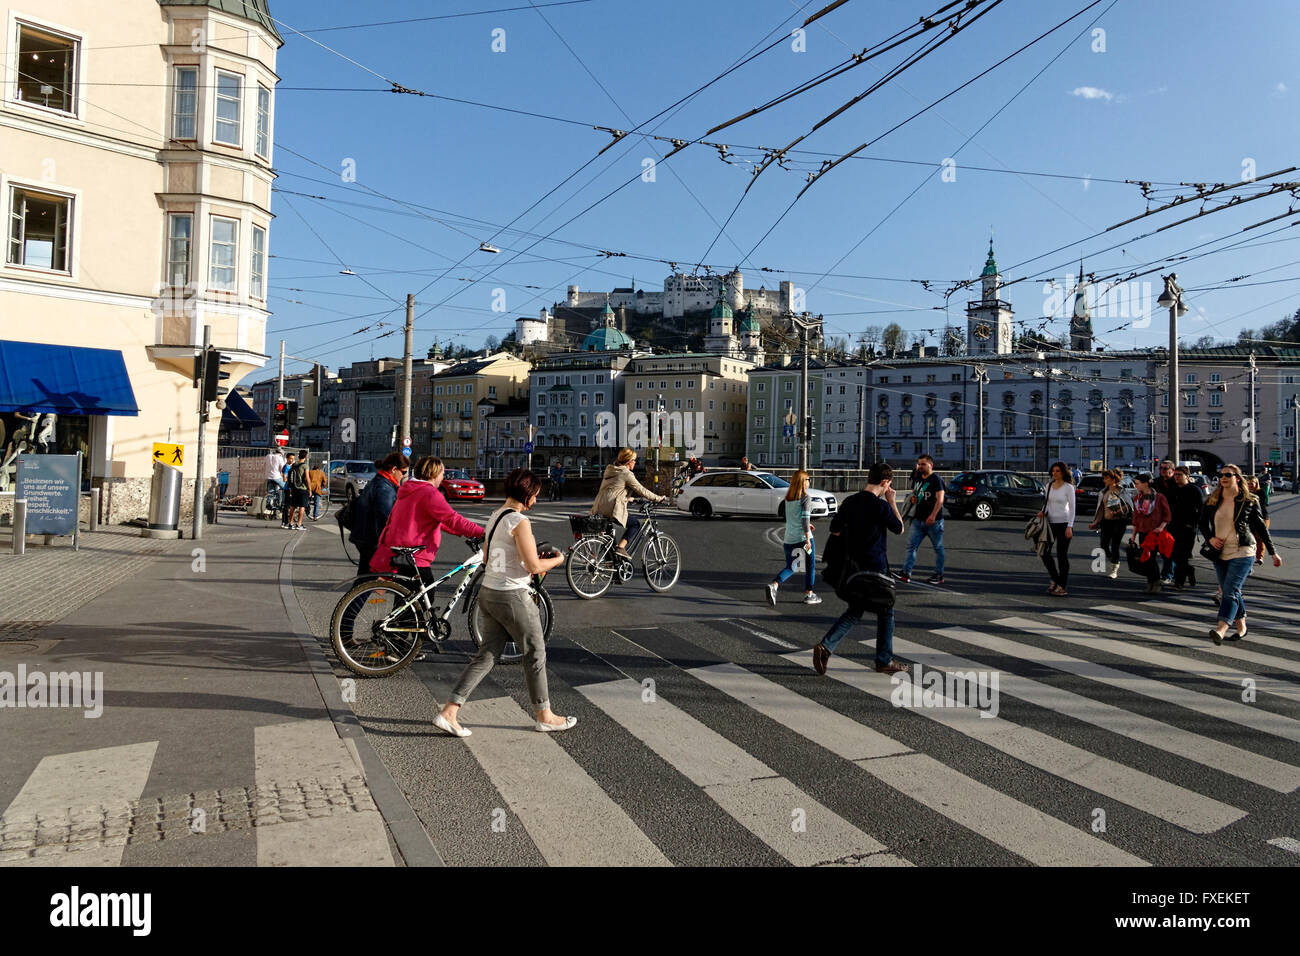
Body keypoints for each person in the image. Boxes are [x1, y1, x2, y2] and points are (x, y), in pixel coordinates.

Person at [434, 468, 573, 737]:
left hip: (488, 593)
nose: (537, 499)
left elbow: (488, 558)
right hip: (512, 596)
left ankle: (449, 712)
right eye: (536, 494)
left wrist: (524, 563)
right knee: (535, 652)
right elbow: (532, 564)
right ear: (529, 494)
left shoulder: (495, 516)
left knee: (486, 656)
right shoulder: (520, 522)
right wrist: (557, 560)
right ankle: (545, 715)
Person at [811, 462, 908, 676]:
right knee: (886, 610)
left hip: (852, 567)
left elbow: (835, 530)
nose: (888, 489)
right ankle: (884, 660)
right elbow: (899, 528)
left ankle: (826, 647)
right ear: (885, 482)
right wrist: (892, 501)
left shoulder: (849, 502)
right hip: (875, 568)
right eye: (888, 486)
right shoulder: (880, 506)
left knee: (855, 610)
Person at [370, 456, 485, 585]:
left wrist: (462, 532)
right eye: (442, 473)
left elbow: (436, 519)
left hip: (399, 553)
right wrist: (483, 532)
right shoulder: (429, 493)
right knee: (425, 596)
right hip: (415, 556)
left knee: (407, 599)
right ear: (434, 474)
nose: (443, 478)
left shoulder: (410, 489)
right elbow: (453, 519)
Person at [1201, 464, 1281, 645]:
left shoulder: (1249, 500)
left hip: (1243, 550)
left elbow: (1261, 527)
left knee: (1228, 591)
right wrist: (1210, 538)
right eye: (1221, 475)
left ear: (1237, 477)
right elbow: (1202, 523)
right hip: (1219, 552)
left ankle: (1221, 628)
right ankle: (1242, 625)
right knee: (1232, 590)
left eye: (1228, 474)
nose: (1223, 478)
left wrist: (1273, 553)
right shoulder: (1213, 499)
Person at [591, 447, 668, 554]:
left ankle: (609, 565)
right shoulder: (626, 474)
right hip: (611, 508)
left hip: (599, 506)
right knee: (635, 524)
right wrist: (659, 498)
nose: (635, 462)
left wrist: (627, 499)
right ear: (628, 461)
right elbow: (642, 490)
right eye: (634, 460)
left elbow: (613, 490)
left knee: (609, 539)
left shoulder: (610, 469)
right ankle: (621, 547)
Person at [765, 469, 820, 606]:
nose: (809, 481)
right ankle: (809, 594)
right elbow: (804, 520)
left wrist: (808, 525)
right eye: (807, 479)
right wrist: (807, 538)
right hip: (803, 539)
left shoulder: (789, 498)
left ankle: (774, 585)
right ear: (802, 481)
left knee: (792, 566)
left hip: (789, 539)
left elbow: (795, 518)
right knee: (810, 565)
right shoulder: (806, 498)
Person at [349, 453, 407, 577]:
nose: (404, 476)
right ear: (394, 469)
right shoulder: (384, 488)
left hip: (364, 536)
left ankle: (355, 596)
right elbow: (384, 518)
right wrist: (388, 545)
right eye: (404, 472)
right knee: (368, 581)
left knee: (365, 579)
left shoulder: (377, 481)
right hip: (371, 540)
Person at [898, 454, 945, 585]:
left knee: (938, 548)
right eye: (919, 464)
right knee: (911, 547)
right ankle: (906, 572)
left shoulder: (936, 480)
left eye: (923, 464)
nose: (920, 466)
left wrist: (933, 515)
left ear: (931, 465)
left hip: (933, 521)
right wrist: (914, 499)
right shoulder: (918, 477)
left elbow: (940, 500)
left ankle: (939, 575)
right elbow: (916, 492)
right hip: (918, 519)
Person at [1037, 461, 1076, 596]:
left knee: (1061, 555)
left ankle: (1062, 586)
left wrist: (1070, 526)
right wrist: (1042, 512)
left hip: (1064, 523)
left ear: (1063, 472)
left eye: (1058, 471)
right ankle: (1055, 579)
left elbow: (1072, 508)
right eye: (1053, 471)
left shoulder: (1068, 488)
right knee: (1044, 552)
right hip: (1050, 524)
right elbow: (1047, 504)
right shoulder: (1049, 486)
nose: (1055, 473)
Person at [1130, 472, 1171, 595]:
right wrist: (1133, 535)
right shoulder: (1138, 499)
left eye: (1137, 484)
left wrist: (1161, 527)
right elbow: (1136, 518)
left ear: (1145, 484)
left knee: (1152, 558)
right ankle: (1150, 581)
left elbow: (1167, 515)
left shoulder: (1159, 497)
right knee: (1146, 559)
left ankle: (1156, 582)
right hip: (1143, 532)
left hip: (1156, 533)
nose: (1135, 486)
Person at [1087, 468, 1131, 579]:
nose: (1104, 480)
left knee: (1115, 544)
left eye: (1106, 478)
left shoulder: (1122, 491)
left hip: (1119, 521)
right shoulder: (1103, 492)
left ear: (1113, 479)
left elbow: (1130, 506)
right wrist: (1096, 522)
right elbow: (1101, 509)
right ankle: (1113, 558)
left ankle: (1114, 569)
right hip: (1106, 522)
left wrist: (1119, 510)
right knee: (1104, 544)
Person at [1165, 466, 1204, 588]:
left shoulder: (1194, 490)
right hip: (1173, 526)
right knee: (1174, 554)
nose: (1176, 477)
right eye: (1175, 474)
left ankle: (1179, 581)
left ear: (1187, 476)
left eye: (1179, 474)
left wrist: (1193, 523)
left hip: (1187, 527)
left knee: (1183, 554)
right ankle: (1189, 570)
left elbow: (1201, 509)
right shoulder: (1173, 489)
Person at [1152, 459, 1178, 580]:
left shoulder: (1177, 483)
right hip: (1158, 521)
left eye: (1165, 468)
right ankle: (1169, 574)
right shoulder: (1156, 482)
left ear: (1172, 470)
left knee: (1170, 550)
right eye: (1161, 468)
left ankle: (1168, 575)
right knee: (1162, 550)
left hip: (1174, 521)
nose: (1162, 470)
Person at [286, 451, 311, 530]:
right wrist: (310, 489)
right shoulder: (305, 466)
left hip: (294, 488)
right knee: (302, 507)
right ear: (305, 457)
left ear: (298, 456)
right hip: (302, 488)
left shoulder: (294, 465)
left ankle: (290, 523)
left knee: (292, 507)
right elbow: (307, 478)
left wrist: (291, 488)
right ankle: (299, 524)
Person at [264, 446, 286, 510]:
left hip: (268, 476)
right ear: (281, 454)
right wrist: (283, 476)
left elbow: (264, 466)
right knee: (285, 488)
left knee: (270, 491)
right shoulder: (280, 458)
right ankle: (282, 504)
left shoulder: (268, 456)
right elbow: (281, 469)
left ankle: (268, 503)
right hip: (277, 476)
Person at [279, 452, 297, 528]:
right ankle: (285, 522)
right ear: (287, 458)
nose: (292, 460)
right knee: (287, 506)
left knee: (289, 506)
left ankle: (287, 521)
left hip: (290, 488)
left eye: (293, 459)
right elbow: (285, 478)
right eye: (290, 458)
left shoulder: (291, 466)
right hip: (288, 489)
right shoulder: (287, 467)